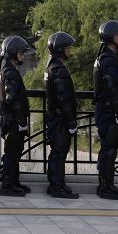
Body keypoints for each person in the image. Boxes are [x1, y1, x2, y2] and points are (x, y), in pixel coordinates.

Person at [93, 20, 118, 200]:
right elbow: (112, 87)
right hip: (108, 112)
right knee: (109, 150)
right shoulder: (107, 59)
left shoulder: (108, 57)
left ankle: (107, 184)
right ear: (110, 37)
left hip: (108, 110)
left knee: (110, 149)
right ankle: (105, 186)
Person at [45, 32, 79, 199]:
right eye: (67, 48)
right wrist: (71, 121)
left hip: (55, 118)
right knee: (59, 152)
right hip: (60, 119)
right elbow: (63, 97)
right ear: (60, 50)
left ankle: (56, 183)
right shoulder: (58, 70)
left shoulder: (52, 66)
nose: (69, 51)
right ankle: (57, 185)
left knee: (57, 152)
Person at [0, 35, 31, 197]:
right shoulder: (10, 73)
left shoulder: (9, 71)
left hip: (12, 119)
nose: (23, 55)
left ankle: (14, 182)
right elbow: (12, 98)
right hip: (13, 120)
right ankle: (7, 185)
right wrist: (21, 119)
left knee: (16, 152)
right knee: (11, 153)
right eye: (20, 53)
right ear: (12, 53)